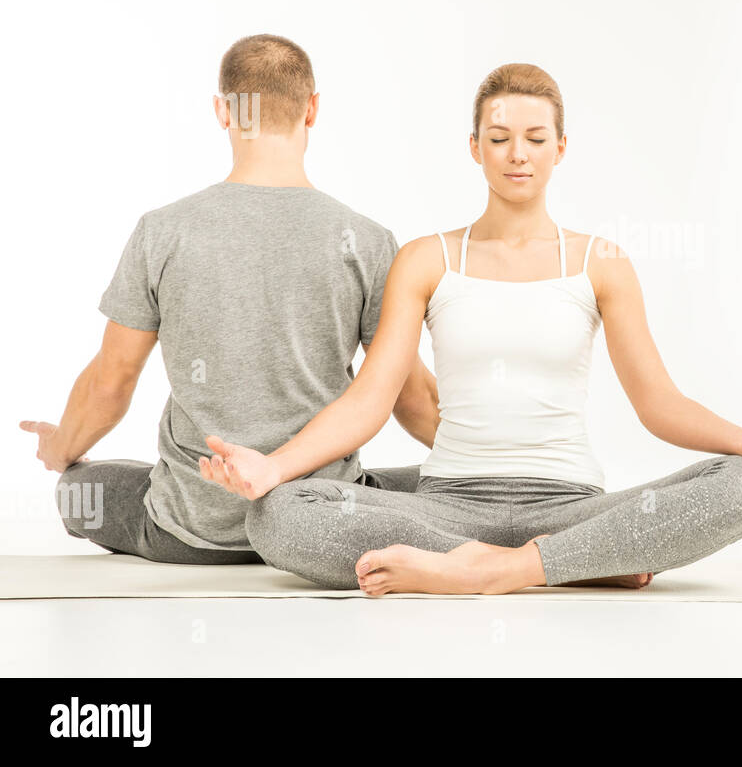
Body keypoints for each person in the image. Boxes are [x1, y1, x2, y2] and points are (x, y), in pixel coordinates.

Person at [201, 62, 742, 593]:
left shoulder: (601, 262)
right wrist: (274, 468)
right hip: (446, 502)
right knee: (278, 514)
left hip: (569, 502)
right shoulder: (426, 259)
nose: (517, 154)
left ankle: (498, 569)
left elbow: (659, 403)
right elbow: (371, 399)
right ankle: (575, 562)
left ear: (561, 148)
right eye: (499, 137)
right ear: (474, 147)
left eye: (536, 138)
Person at [20, 34, 439, 563]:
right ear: (312, 110)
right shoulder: (367, 241)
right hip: (320, 518)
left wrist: (61, 448)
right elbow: (409, 396)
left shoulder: (163, 231)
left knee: (76, 491)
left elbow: (112, 381)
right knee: (443, 486)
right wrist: (498, 471)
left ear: (223, 111)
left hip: (192, 532)